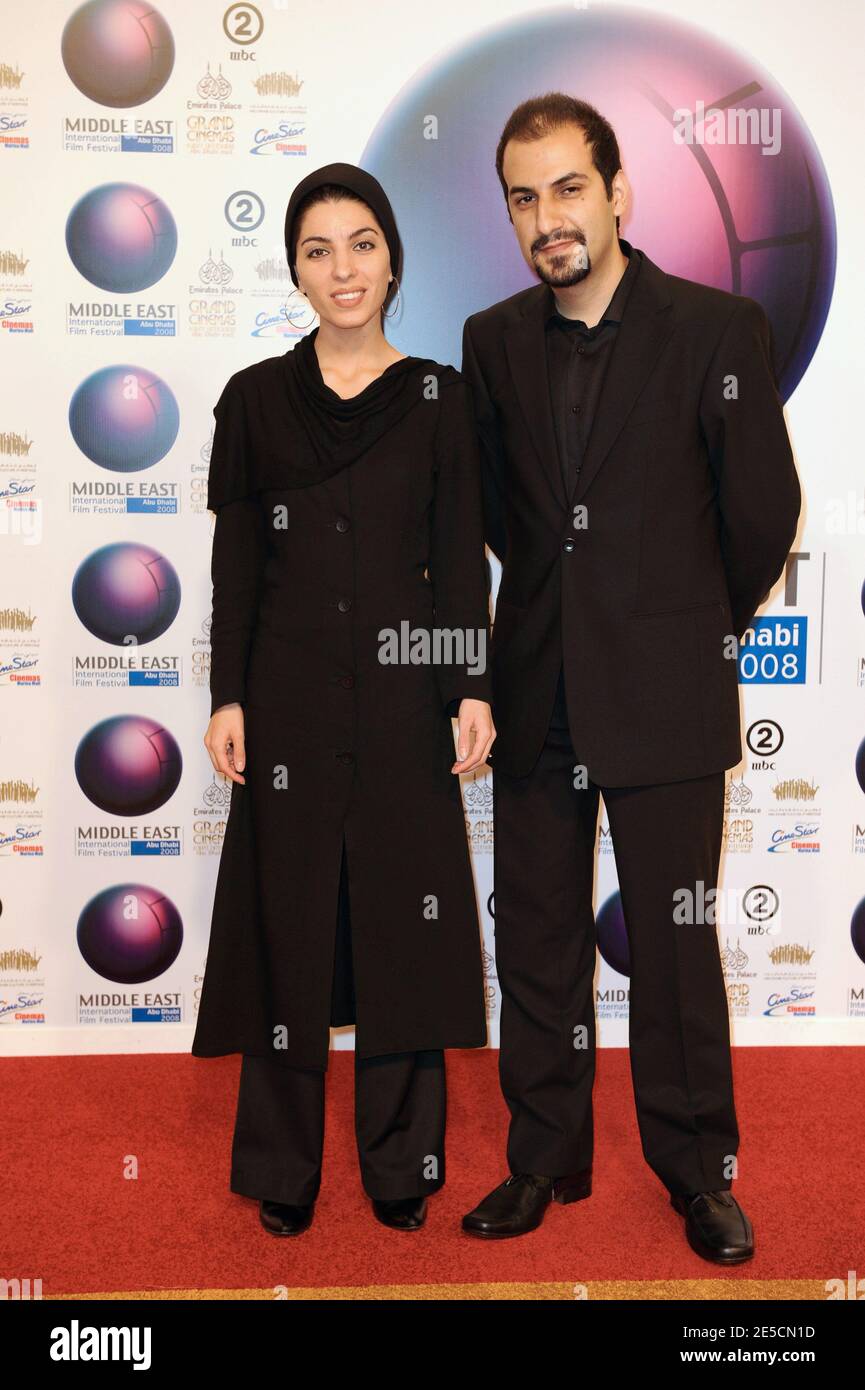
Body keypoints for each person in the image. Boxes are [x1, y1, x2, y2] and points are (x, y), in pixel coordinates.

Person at [459, 95, 801, 1261]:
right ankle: (539, 1160)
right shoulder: (491, 340)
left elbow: (760, 514)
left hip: (665, 685)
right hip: (537, 686)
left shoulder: (717, 329)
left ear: (616, 192)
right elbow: (506, 515)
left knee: (673, 939)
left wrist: (681, 624)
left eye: (566, 187)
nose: (546, 216)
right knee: (541, 939)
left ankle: (697, 1172)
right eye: (522, 196)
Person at [192, 162, 495, 1237]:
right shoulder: (255, 401)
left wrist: (469, 684)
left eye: (361, 243)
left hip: (410, 696)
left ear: (392, 258)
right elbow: (236, 570)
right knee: (288, 929)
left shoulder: (437, 398)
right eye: (318, 250)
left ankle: (403, 1160)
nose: (343, 268)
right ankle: (283, 1163)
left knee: (402, 929)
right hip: (286, 702)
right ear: (294, 272)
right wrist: (227, 695)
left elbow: (459, 560)